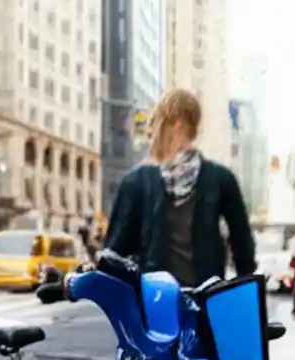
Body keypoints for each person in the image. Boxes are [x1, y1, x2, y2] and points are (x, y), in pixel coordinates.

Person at [104, 88, 256, 287]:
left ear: (177, 124)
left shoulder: (137, 181)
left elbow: (113, 254)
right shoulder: (221, 179)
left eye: (156, 124)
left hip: (155, 304)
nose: (151, 134)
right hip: (205, 301)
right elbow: (244, 254)